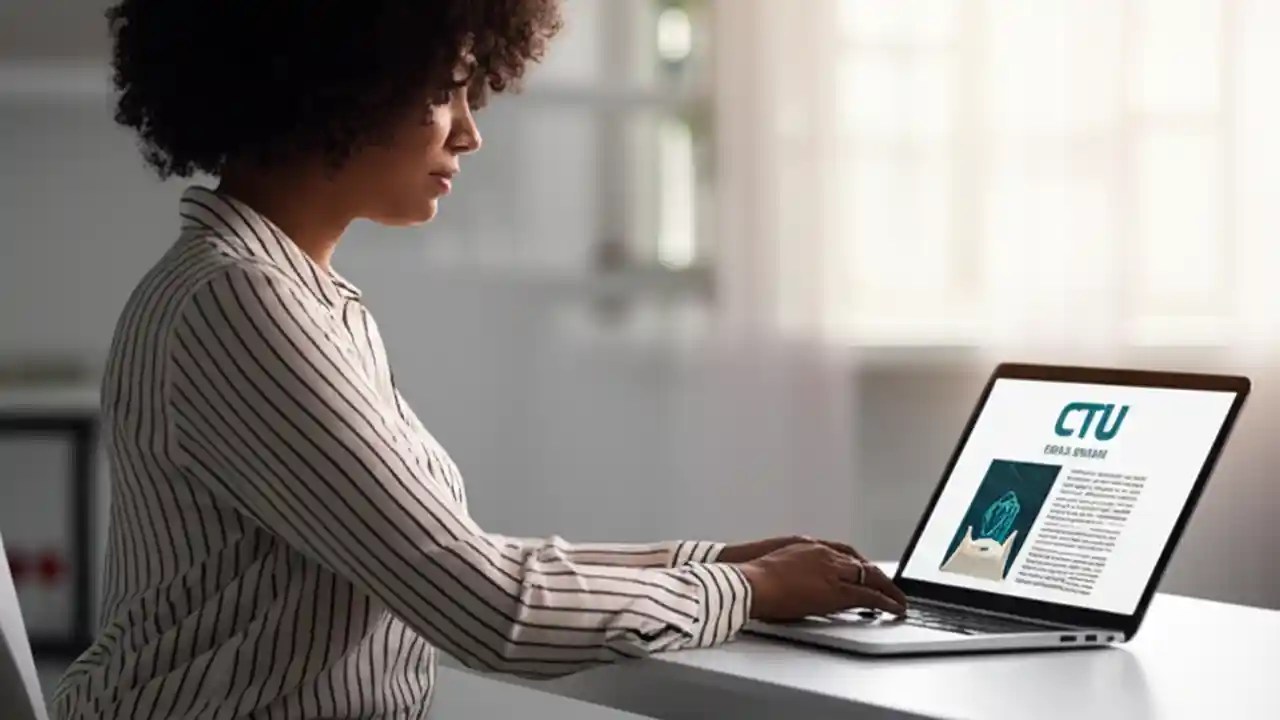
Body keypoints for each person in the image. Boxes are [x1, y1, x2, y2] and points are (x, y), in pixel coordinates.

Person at [52, 1, 908, 717]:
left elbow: (451, 557)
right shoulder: (242, 306)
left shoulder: (280, 292)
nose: (468, 134)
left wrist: (710, 563)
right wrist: (750, 591)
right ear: (332, 86)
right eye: (442, 92)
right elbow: (489, 609)